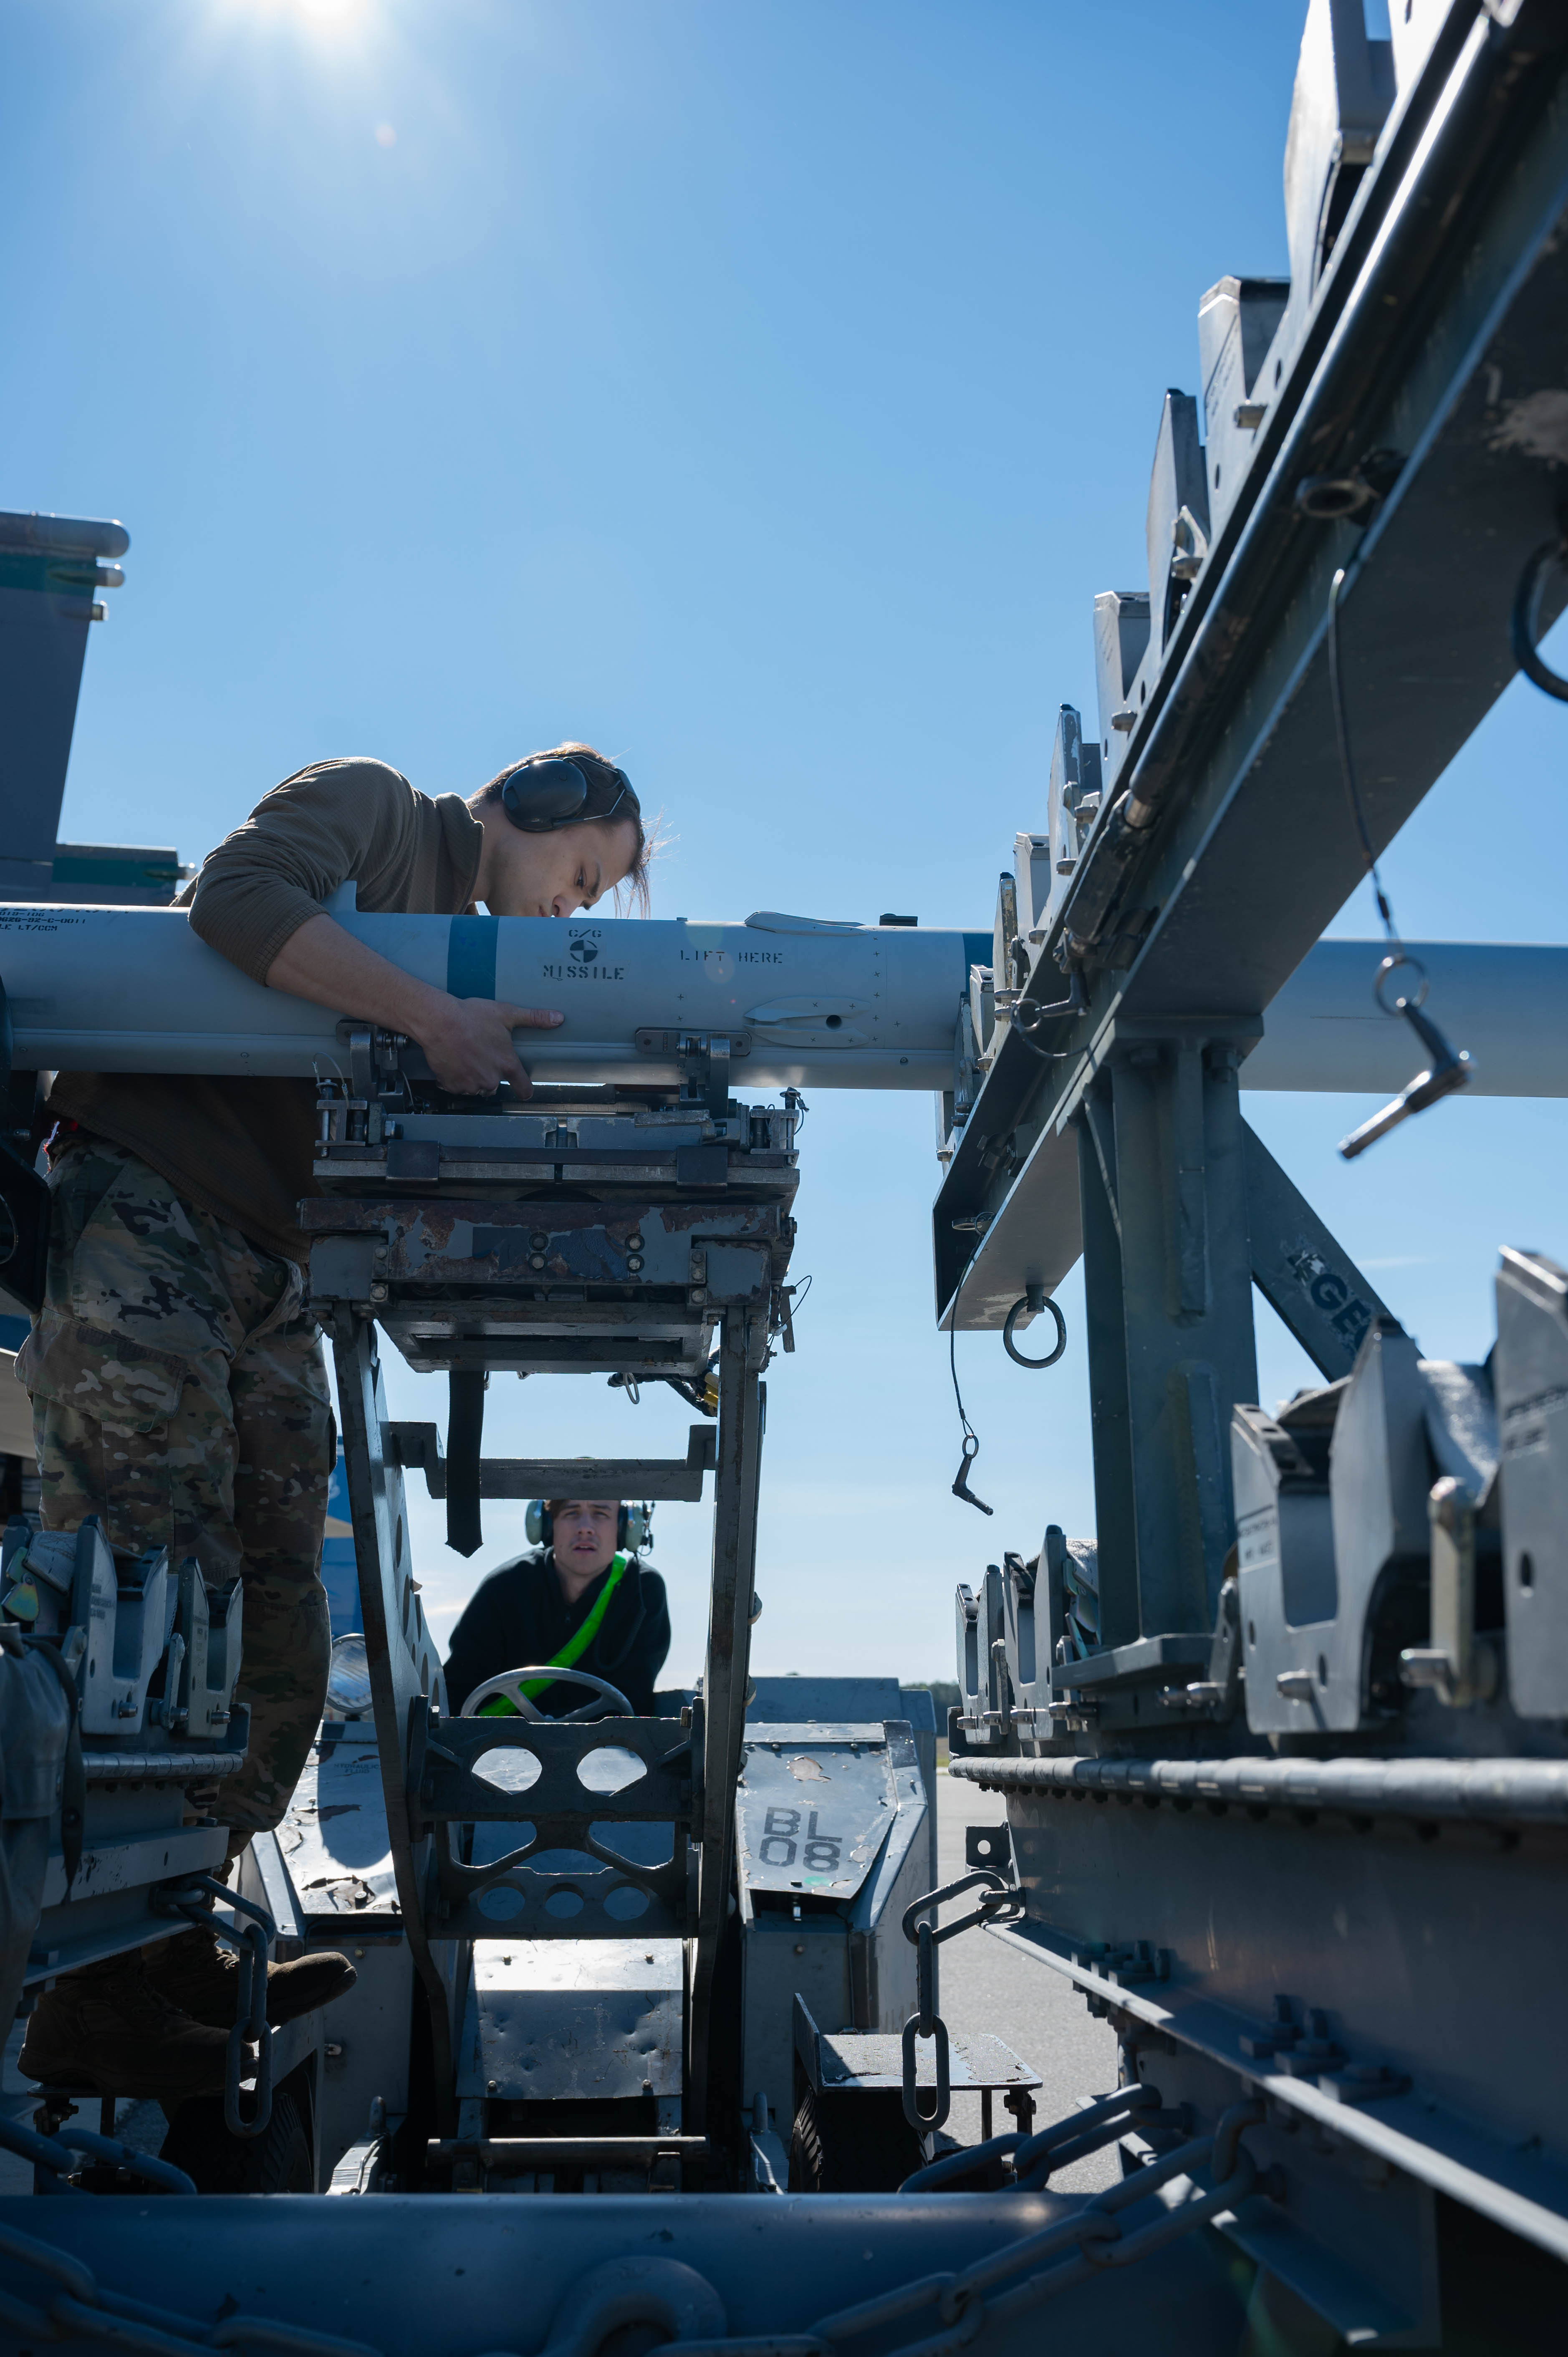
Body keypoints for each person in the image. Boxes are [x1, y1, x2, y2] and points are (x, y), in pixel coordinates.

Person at [18, 745, 651, 2102]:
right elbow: (233, 898)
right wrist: (429, 1018)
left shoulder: (468, 967)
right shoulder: (377, 815)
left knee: (282, 1605)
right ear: (520, 811)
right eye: (580, 870)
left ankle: (172, 1922)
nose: (574, 907)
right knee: (150, 1572)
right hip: (152, 1203)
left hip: (272, 1267)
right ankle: (89, 1984)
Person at [444, 1500, 671, 1720]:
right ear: (548, 1525)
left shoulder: (643, 1590)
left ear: (624, 1527)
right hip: (494, 1750)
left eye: (601, 1514)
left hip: (605, 1751)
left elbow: (635, 1698)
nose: (585, 1529)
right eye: (571, 1513)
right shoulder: (505, 1586)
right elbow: (458, 1690)